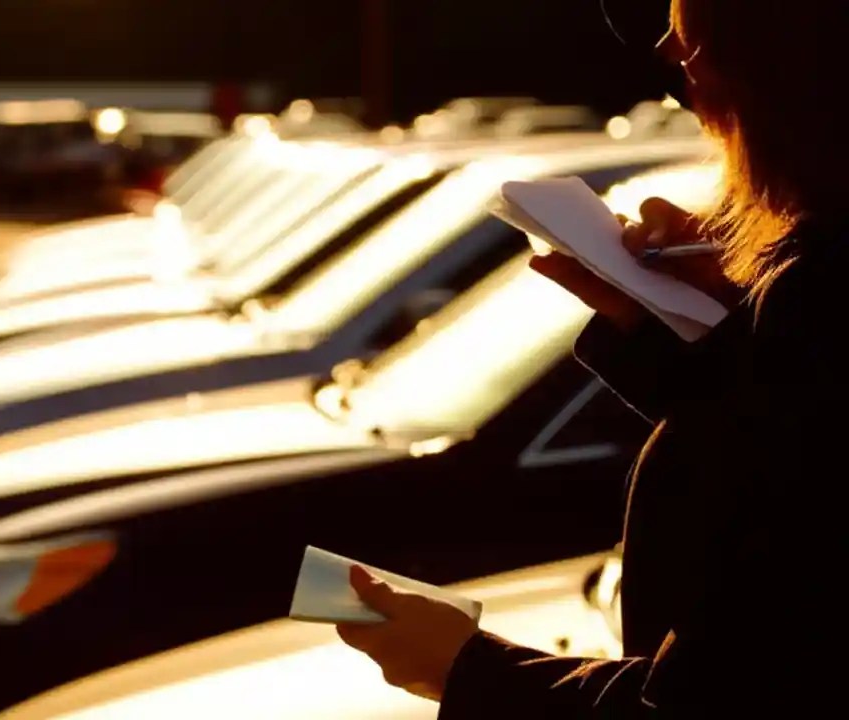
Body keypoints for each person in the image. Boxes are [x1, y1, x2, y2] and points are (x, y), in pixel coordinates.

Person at [336, 1, 847, 716]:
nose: (670, 53)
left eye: (696, 31)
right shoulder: (812, 294)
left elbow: (733, 692)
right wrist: (716, 319)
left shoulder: (824, 294)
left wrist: (462, 669)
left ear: (785, 58)